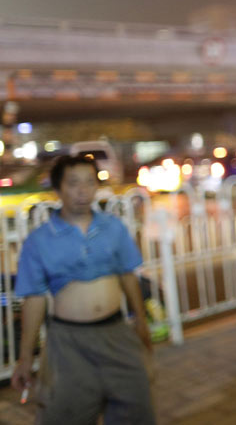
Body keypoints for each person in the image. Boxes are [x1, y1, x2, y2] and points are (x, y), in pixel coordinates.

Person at [11, 154, 155, 425]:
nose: (83, 190)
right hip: (67, 343)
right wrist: (25, 357)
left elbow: (127, 276)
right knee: (66, 415)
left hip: (116, 334)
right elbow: (34, 298)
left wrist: (141, 322)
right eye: (73, 183)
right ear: (57, 189)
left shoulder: (112, 227)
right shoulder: (40, 239)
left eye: (90, 182)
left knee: (136, 412)